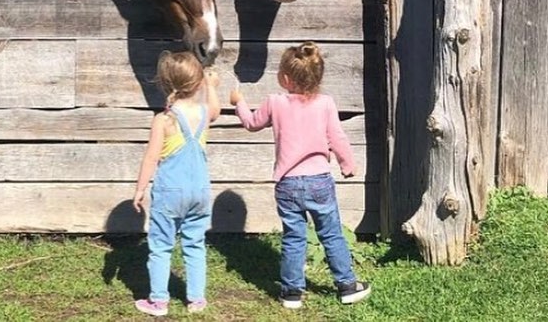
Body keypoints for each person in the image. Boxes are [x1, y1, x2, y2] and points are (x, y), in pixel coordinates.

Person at [230, 42, 371, 309]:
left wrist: (239, 103)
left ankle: (292, 293)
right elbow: (337, 137)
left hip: (287, 185)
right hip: (319, 181)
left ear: (285, 78)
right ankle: (347, 286)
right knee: (331, 234)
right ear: (318, 77)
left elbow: (251, 124)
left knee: (293, 237)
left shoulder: (275, 103)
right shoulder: (326, 103)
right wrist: (348, 164)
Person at [132, 51, 221, 317]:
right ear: (198, 82)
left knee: (160, 246)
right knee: (195, 244)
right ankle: (196, 299)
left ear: (166, 84)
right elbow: (216, 110)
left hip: (170, 193)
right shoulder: (204, 114)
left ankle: (159, 301)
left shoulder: (164, 119)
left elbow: (151, 158)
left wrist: (139, 189)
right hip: (200, 192)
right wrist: (211, 86)